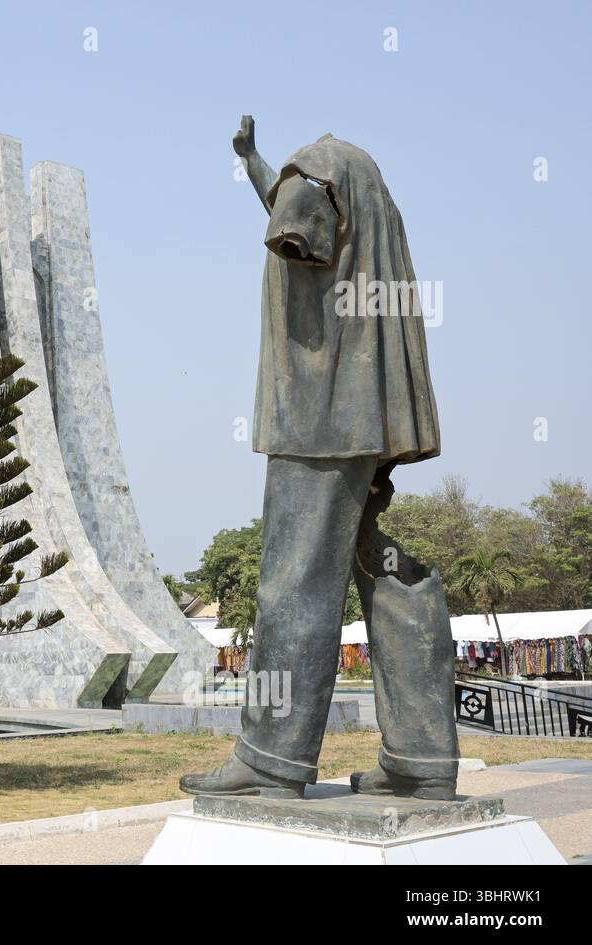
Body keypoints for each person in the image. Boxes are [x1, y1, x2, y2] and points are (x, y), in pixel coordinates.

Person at [179, 117, 459, 801]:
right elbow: (298, 216)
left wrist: (269, 173)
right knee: (388, 573)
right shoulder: (363, 183)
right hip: (368, 417)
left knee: (293, 585)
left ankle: (271, 760)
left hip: (318, 418)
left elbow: (295, 228)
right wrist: (253, 163)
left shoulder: (315, 170)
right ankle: (422, 759)